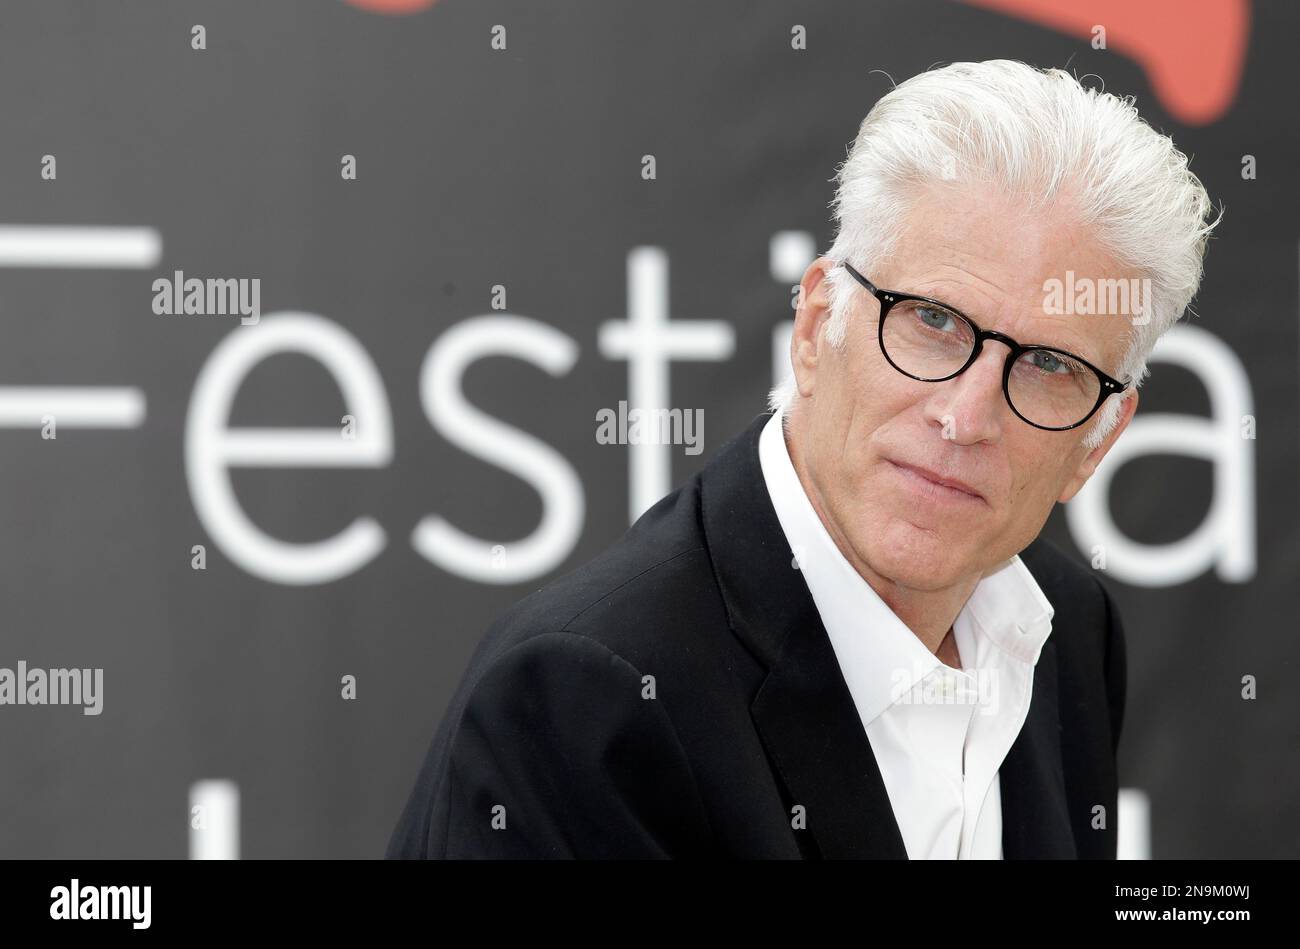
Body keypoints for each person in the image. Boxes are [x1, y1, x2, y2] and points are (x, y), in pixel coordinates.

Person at [387, 59, 1219, 859]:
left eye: (1048, 366)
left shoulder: (1068, 631)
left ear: (1097, 441)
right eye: (931, 321)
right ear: (820, 325)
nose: (966, 416)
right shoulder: (590, 697)